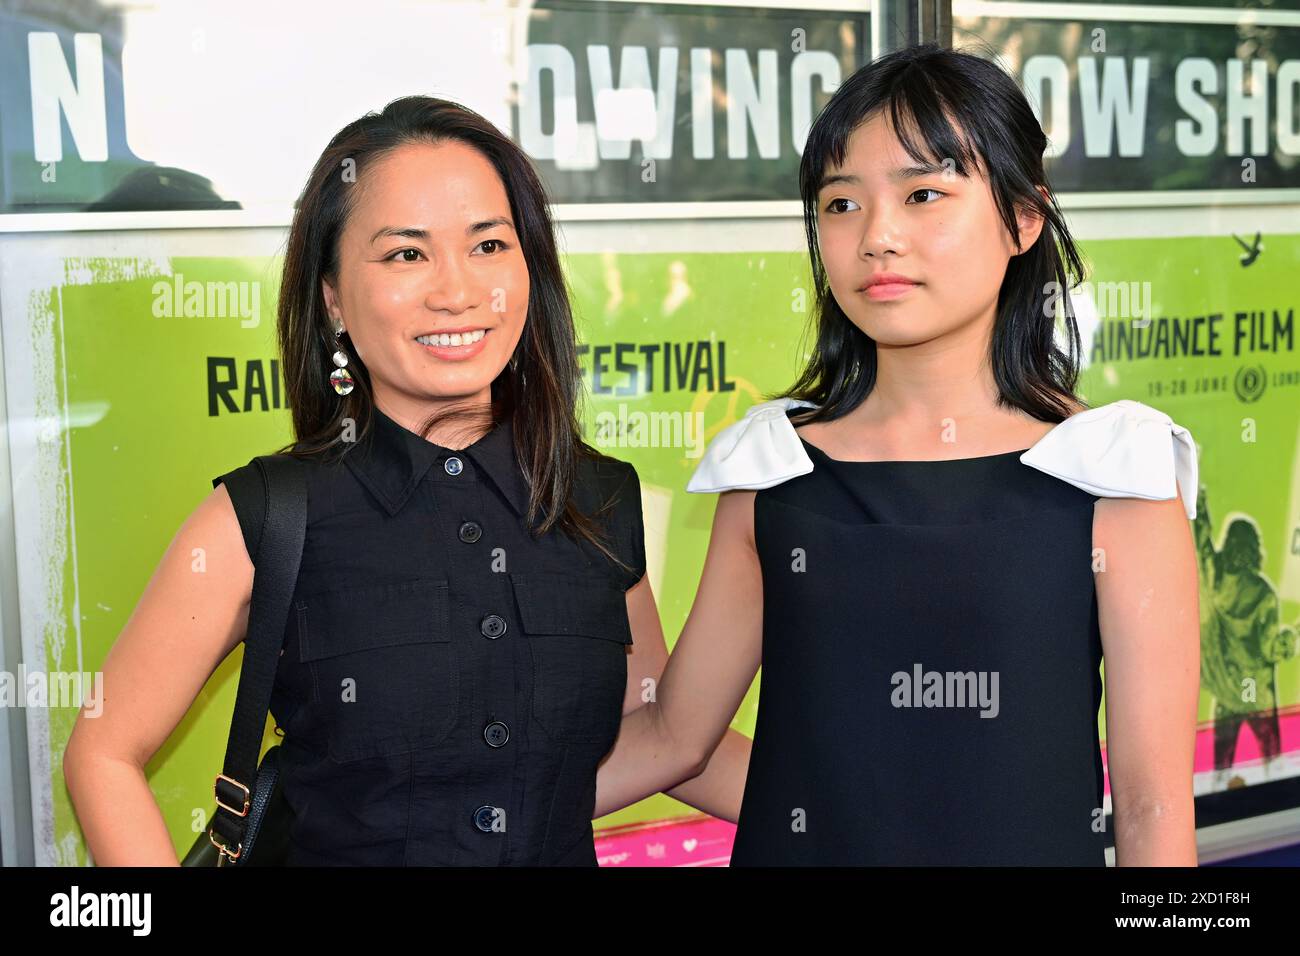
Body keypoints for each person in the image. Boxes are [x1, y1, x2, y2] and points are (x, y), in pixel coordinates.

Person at [63, 96, 749, 866]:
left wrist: (869, 812)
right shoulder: (269, 516)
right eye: (405, 254)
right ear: (332, 300)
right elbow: (104, 752)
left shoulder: (593, 495)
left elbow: (661, 735)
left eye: (489, 245)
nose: (457, 291)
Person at [595, 44, 1201, 865]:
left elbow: (1151, 810)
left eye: (923, 194)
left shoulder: (1111, 472)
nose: (878, 237)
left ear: (1024, 219)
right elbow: (676, 738)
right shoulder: (772, 469)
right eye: (840, 204)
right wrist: (441, 811)